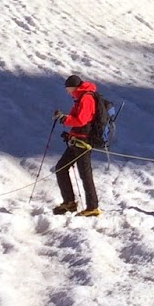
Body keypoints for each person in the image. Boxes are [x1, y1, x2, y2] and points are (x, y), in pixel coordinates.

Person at [51, 74, 105, 217]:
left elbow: (81, 120)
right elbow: (79, 120)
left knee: (85, 175)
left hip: (83, 143)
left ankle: (92, 208)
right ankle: (69, 202)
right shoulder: (81, 98)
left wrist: (64, 119)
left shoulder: (86, 98)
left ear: (74, 87)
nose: (68, 92)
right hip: (77, 141)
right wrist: (68, 131)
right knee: (61, 169)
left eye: (68, 89)